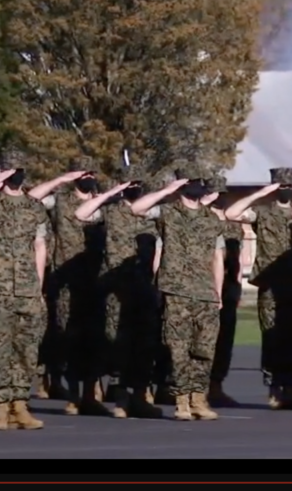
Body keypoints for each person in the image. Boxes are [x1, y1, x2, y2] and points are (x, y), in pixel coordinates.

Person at [0, 152, 82, 429]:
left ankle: (20, 405)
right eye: (10, 170)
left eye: (19, 169)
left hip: (27, 288)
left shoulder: (33, 207)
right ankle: (0, 407)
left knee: (27, 350)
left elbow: (40, 245)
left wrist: (37, 284)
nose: (15, 175)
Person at [130, 164, 225, 420]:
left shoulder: (211, 219)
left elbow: (218, 257)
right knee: (178, 348)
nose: (198, 187)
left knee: (205, 348)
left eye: (200, 182)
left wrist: (218, 292)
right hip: (177, 290)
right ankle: (181, 400)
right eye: (192, 182)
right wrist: (168, 189)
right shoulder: (169, 212)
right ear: (182, 185)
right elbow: (137, 209)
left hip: (205, 291)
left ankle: (199, 398)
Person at [74, 166, 163, 419]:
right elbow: (81, 214)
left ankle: (139, 396)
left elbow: (158, 250)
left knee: (144, 345)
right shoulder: (111, 212)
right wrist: (112, 192)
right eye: (130, 184)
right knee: (115, 344)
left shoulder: (150, 215)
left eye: (138, 183)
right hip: (116, 289)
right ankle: (116, 397)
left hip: (144, 288)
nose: (135, 188)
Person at [226, 167, 292, 411]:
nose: (285, 190)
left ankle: (291, 388)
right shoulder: (262, 214)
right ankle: (274, 389)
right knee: (272, 337)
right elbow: (232, 213)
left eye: (288, 186)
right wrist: (262, 193)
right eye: (280, 186)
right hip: (271, 284)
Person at [49, 156, 109, 416]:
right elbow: (36, 198)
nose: (88, 178)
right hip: (68, 280)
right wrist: (61, 180)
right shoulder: (61, 201)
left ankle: (90, 393)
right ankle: (73, 395)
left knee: (96, 338)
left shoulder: (104, 204)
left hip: (97, 278)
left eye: (91, 173)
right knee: (70, 338)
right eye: (82, 174)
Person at [203, 175, 246, 408]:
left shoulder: (233, 225)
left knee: (224, 341)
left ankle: (216, 386)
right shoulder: (200, 219)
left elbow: (237, 258)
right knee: (200, 340)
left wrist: (237, 286)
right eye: (215, 194)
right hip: (203, 286)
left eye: (222, 194)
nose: (219, 198)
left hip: (228, 288)